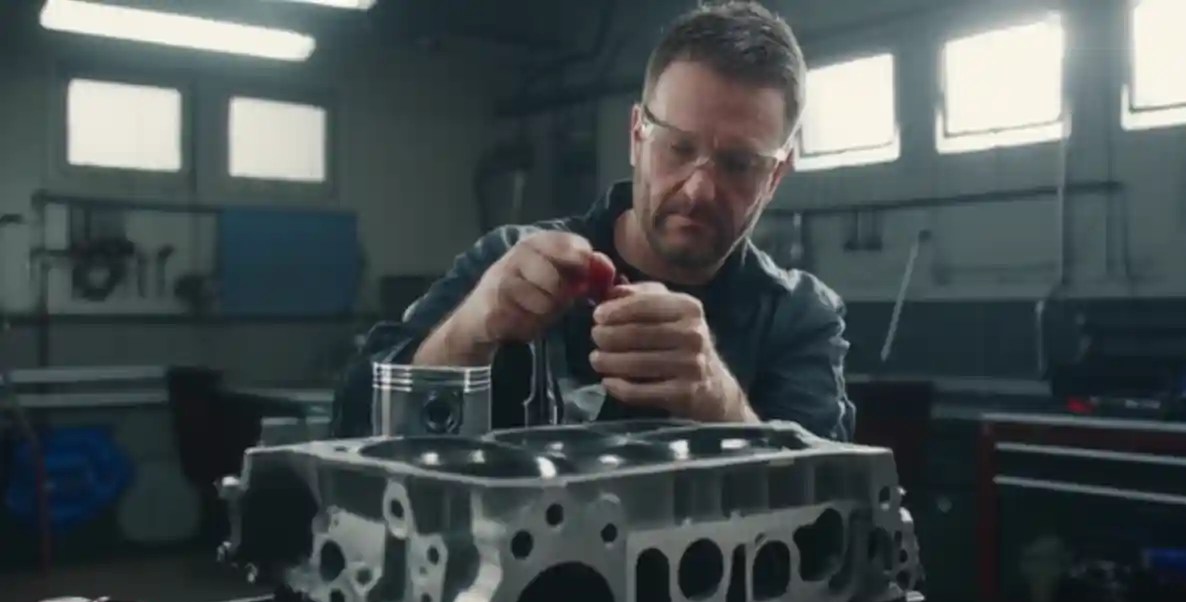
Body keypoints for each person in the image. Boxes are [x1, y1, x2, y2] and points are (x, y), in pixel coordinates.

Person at [332, 1, 855, 441]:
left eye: (739, 164)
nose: (699, 189)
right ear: (637, 135)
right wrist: (468, 332)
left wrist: (720, 404)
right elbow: (352, 424)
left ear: (776, 175)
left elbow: (840, 511)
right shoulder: (510, 259)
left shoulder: (799, 317)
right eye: (678, 147)